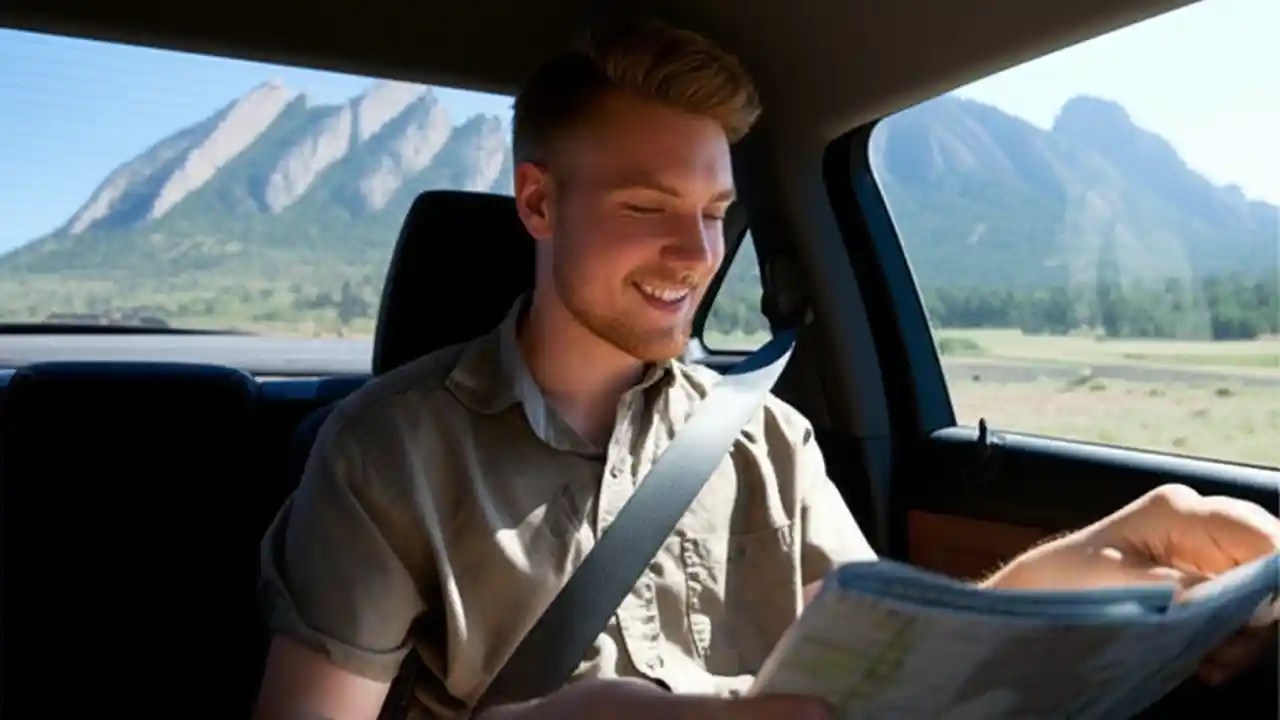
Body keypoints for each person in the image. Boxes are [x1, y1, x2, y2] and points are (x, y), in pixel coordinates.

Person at [252, 19, 1279, 720]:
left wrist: (1105, 557)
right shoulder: (386, 453)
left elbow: (891, 656)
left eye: (712, 214)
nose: (698, 257)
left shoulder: (763, 437)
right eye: (647, 209)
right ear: (536, 205)